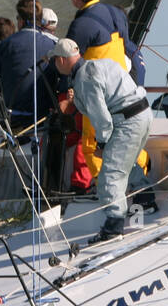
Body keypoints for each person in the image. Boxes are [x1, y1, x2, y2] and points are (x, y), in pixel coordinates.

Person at [48, 38, 156, 242]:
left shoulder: (83, 78)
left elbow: (101, 117)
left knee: (110, 175)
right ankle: (146, 199)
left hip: (127, 121)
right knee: (126, 162)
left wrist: (103, 144)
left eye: (54, 60)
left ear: (62, 59)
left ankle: (114, 227)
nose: (54, 64)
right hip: (144, 114)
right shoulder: (100, 63)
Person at [63, 0, 148, 182]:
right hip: (124, 89)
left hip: (98, 92)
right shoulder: (116, 13)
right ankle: (142, 172)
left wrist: (65, 91)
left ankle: (105, 186)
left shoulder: (80, 24)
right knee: (125, 138)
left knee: (92, 144)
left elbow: (70, 60)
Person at [0, 0, 57, 126]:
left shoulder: (5, 45)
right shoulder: (53, 45)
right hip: (42, 120)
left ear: (21, 21)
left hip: (9, 120)